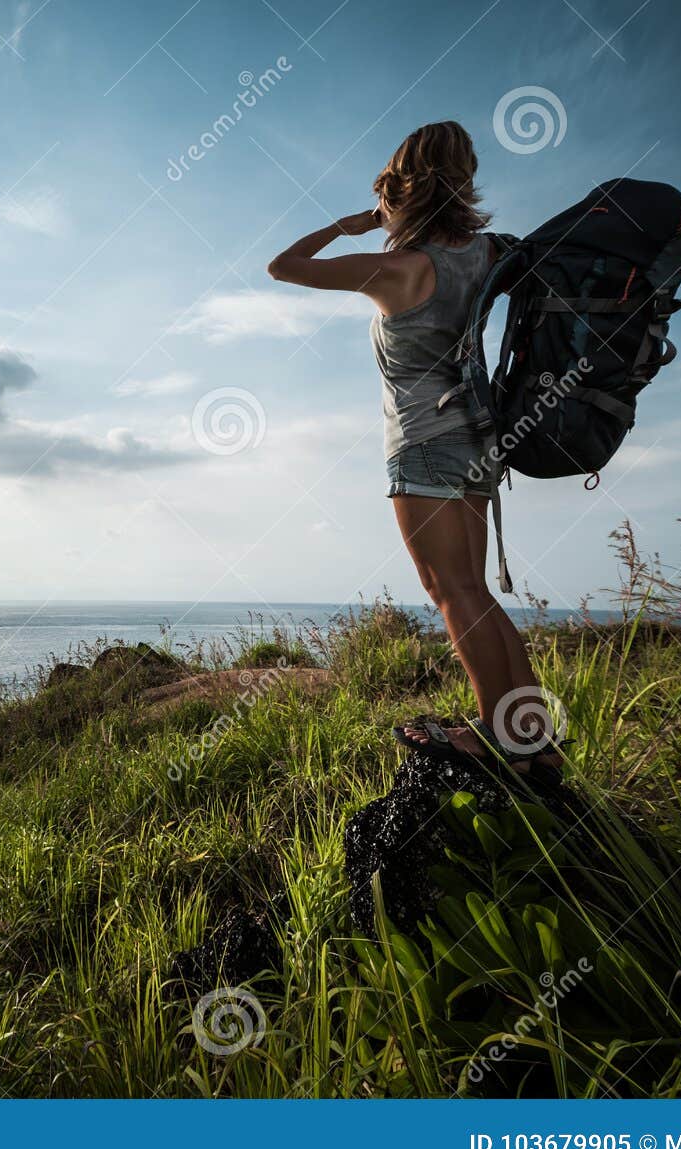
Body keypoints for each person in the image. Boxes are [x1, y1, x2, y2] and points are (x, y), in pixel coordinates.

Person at [266, 120, 560, 778]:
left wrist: (352, 226)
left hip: (423, 447)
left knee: (450, 591)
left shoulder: (396, 268)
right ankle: (532, 735)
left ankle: (497, 735)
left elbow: (282, 266)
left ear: (401, 189)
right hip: (481, 440)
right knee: (475, 590)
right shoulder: (488, 254)